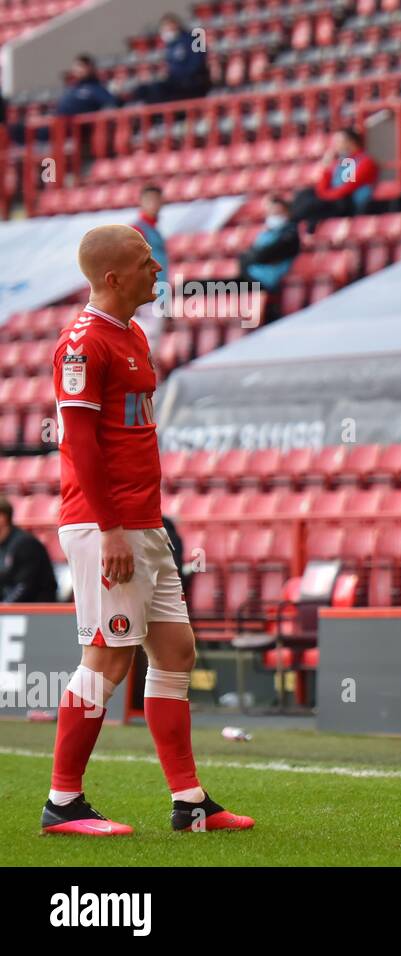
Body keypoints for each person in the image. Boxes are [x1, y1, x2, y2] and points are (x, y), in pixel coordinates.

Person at [41, 223, 254, 836]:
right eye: (144, 261)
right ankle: (63, 801)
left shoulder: (132, 332)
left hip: (143, 522)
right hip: (105, 525)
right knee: (107, 659)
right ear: (112, 276)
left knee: (175, 650)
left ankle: (189, 804)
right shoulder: (82, 344)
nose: (156, 268)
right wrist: (109, 529)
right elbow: (78, 440)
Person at [289, 128, 378, 231]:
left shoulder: (365, 162)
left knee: (313, 205)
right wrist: (326, 168)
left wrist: (324, 195)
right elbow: (322, 187)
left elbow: (346, 189)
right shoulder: (342, 161)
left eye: (339, 141)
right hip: (334, 199)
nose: (336, 145)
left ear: (351, 142)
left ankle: (294, 224)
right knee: (304, 195)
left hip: (349, 202)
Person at [238, 195, 300, 322]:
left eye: (277, 213)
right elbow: (245, 257)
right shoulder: (266, 233)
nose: (273, 217)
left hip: (265, 283)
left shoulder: (290, 235)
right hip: (250, 278)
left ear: (287, 213)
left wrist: (252, 257)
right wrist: (251, 257)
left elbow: (260, 255)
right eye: (271, 213)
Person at [133, 14, 210, 105]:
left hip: (191, 83)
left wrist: (177, 75)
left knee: (158, 89)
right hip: (175, 82)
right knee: (142, 90)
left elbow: (197, 64)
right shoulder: (170, 46)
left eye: (167, 28)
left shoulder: (193, 39)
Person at [0, 495, 58, 603]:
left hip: (39, 611)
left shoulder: (25, 544)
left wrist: (4, 608)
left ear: (3, 517)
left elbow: (26, 586)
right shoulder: (4, 544)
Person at [131, 185, 168, 346]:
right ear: (141, 202)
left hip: (157, 295)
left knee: (152, 345)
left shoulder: (154, 230)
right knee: (146, 344)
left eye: (156, 200)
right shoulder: (138, 230)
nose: (154, 204)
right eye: (150, 200)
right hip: (146, 297)